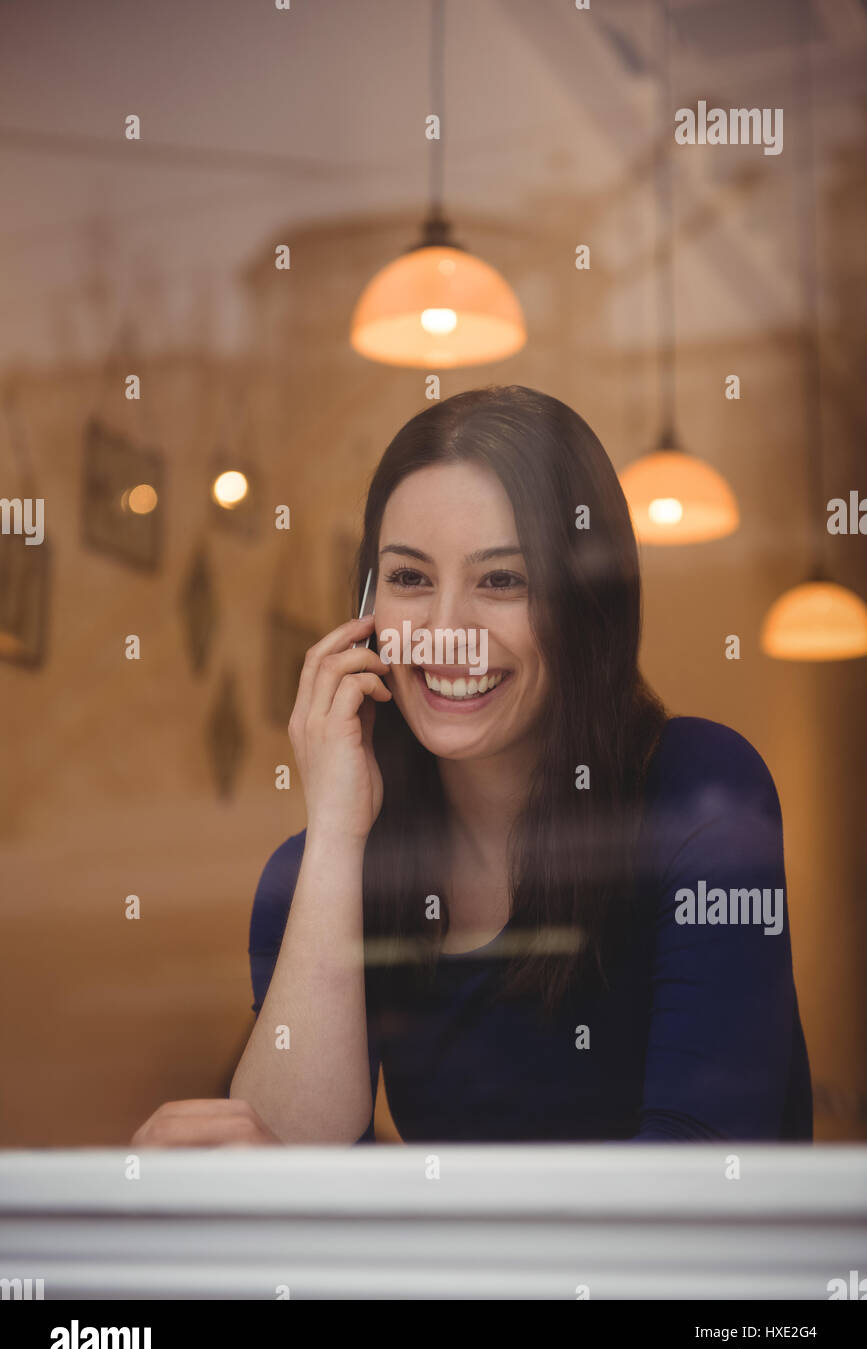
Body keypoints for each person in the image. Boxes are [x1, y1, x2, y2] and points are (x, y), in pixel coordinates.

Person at [132, 384, 812, 1147]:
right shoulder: (317, 872)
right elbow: (289, 1176)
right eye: (410, 579)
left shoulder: (702, 797)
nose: (443, 630)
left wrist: (366, 1222)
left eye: (502, 580)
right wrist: (332, 833)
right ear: (364, 609)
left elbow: (702, 1196)